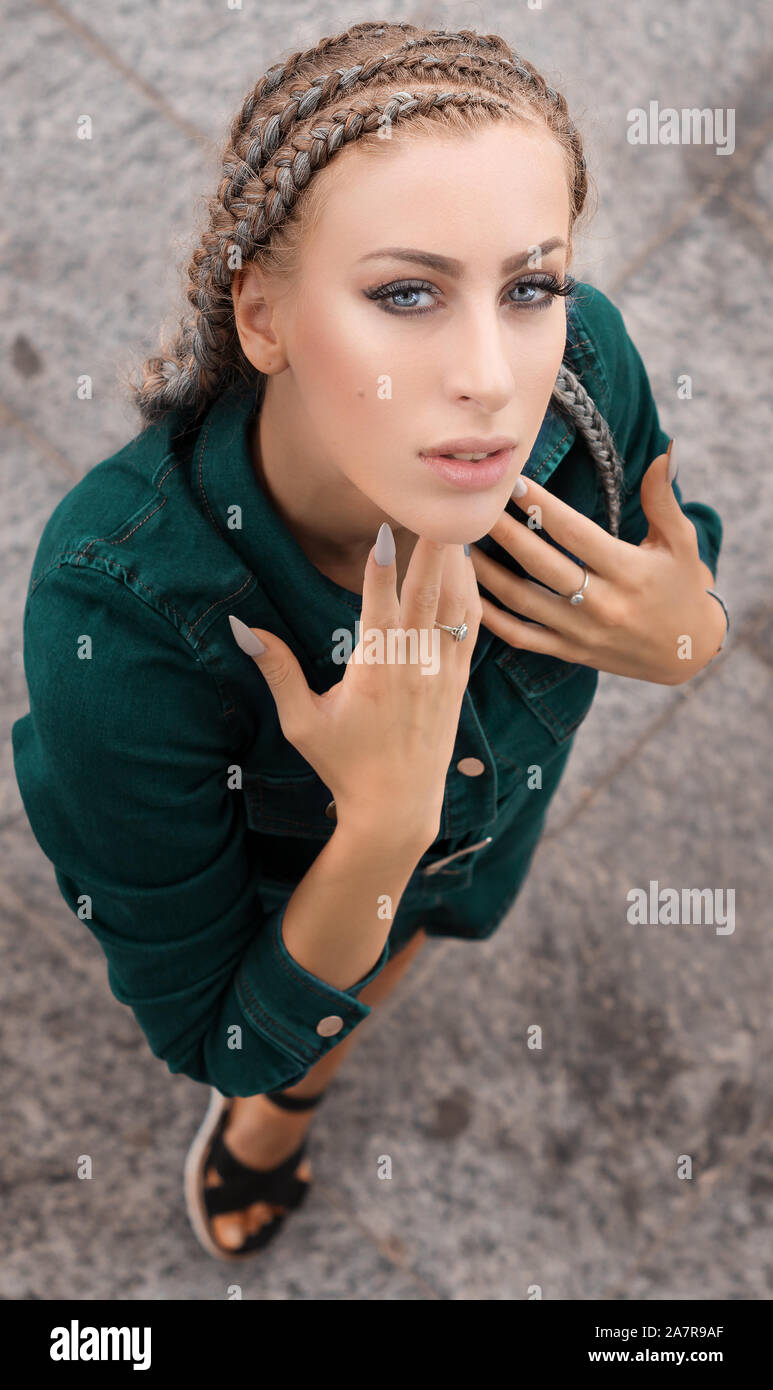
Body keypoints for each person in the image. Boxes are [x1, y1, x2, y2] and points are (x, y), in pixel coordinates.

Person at [12, 19, 727, 1264]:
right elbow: (216, 1034)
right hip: (301, 910)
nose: (492, 377)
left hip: (484, 843)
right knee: (302, 1032)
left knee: (420, 930)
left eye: (529, 286)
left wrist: (686, 634)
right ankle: (281, 1127)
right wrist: (383, 827)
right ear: (266, 315)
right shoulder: (119, 620)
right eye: (405, 292)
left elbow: (671, 555)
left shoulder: (583, 369)